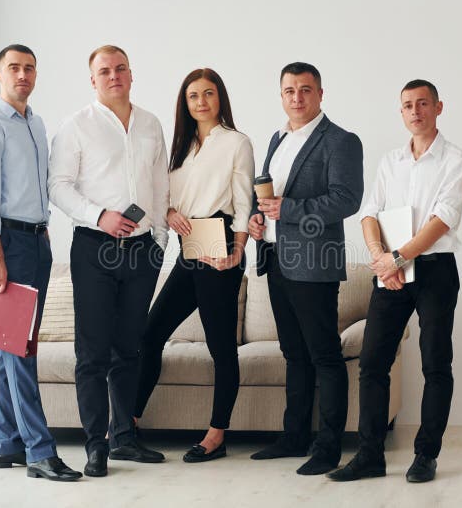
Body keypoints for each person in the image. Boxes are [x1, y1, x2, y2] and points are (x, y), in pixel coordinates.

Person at [328, 79, 462, 483]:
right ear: (401, 111)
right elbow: (369, 211)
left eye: (423, 103)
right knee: (373, 363)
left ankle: (426, 455)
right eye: (408, 105)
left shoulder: (456, 161)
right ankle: (370, 456)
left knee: (435, 363)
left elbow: (441, 220)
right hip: (391, 270)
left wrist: (397, 259)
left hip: (434, 270)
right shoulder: (391, 161)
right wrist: (380, 257)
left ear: (438, 107)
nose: (415, 111)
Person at [48, 45, 169, 477]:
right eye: (104, 70)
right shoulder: (76, 126)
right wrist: (100, 215)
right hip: (94, 250)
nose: (113, 75)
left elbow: (160, 184)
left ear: (131, 75)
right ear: (93, 80)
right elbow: (58, 186)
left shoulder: (151, 124)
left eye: (120, 68)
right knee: (93, 353)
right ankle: (96, 445)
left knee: (129, 349)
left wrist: (159, 241)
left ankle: (125, 439)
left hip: (142, 252)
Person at [0, 44, 82, 482]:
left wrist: (43, 231)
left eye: (29, 68)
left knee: (18, 347)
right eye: (13, 68)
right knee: (18, 351)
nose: (22, 75)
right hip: (6, 244)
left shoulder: (35, 122)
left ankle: (5, 443)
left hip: (35, 241)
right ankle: (39, 451)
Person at [247, 62, 363, 475]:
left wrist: (288, 210)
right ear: (281, 95)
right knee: (293, 355)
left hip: (315, 265)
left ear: (320, 94)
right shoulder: (277, 139)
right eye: (289, 90)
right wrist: (256, 219)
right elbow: (265, 195)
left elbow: (347, 199)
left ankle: (328, 448)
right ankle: (294, 437)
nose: (297, 97)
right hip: (277, 260)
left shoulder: (341, 141)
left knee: (324, 357)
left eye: (305, 90)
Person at [133, 68, 254, 463]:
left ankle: (217, 435)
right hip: (190, 246)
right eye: (193, 96)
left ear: (220, 98)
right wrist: (167, 210)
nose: (201, 101)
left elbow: (243, 202)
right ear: (185, 104)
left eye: (209, 93)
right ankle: (129, 422)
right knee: (151, 334)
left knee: (221, 348)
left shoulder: (236, 143)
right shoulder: (181, 148)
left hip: (220, 241)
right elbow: (167, 195)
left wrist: (237, 251)